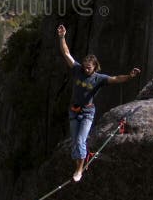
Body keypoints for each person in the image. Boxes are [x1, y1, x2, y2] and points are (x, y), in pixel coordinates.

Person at [57, 24, 140, 182]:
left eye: (89, 68)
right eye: (85, 67)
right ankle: (81, 161)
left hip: (87, 113)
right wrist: (62, 37)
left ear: (95, 67)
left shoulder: (99, 79)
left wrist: (130, 76)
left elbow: (116, 79)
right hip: (74, 111)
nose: (86, 69)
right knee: (75, 143)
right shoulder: (77, 70)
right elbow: (66, 53)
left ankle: (79, 169)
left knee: (80, 140)